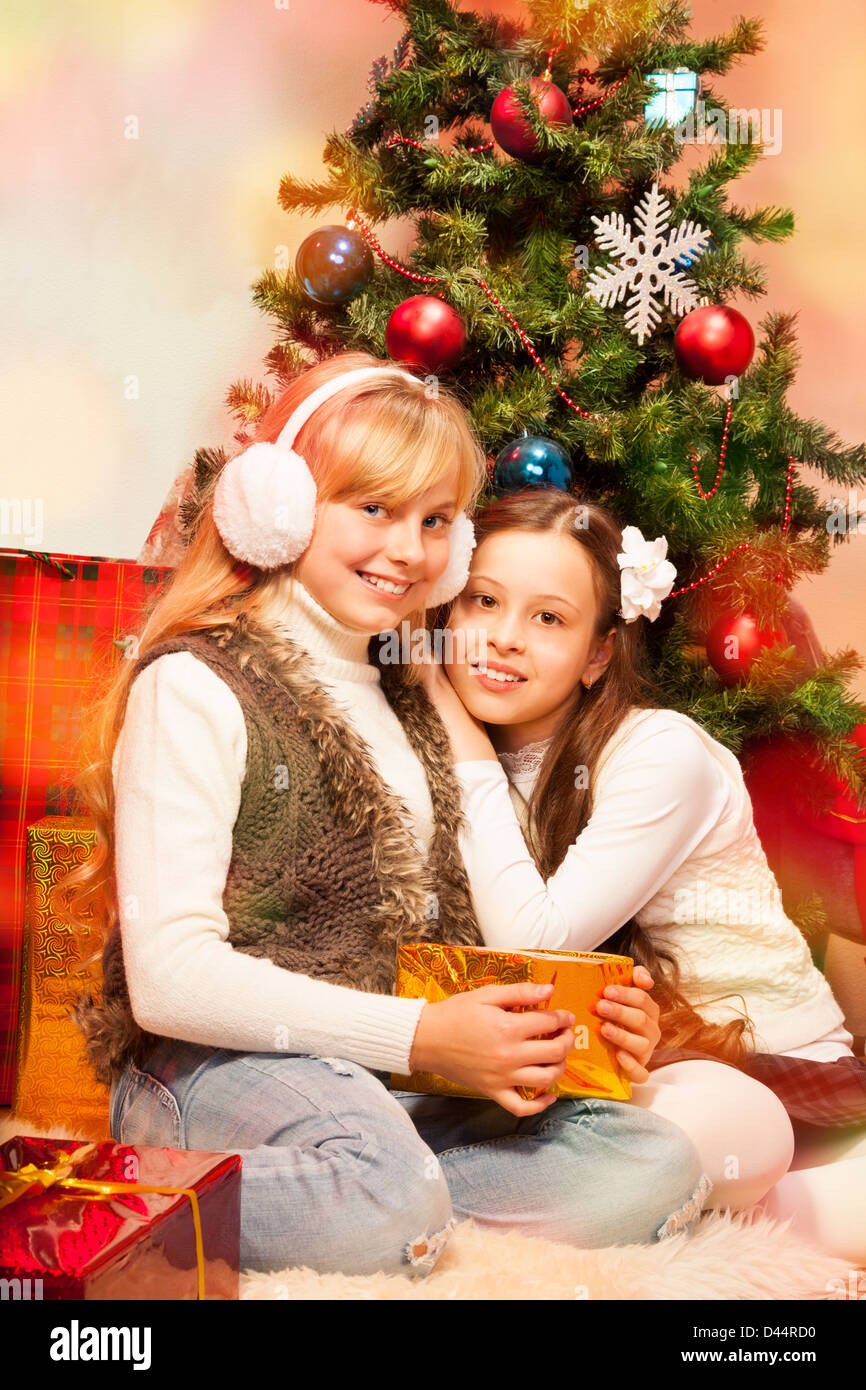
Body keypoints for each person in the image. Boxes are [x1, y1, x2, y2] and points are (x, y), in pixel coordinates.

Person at [64, 352, 717, 1280]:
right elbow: (169, 981)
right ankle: (262, 1186)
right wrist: (419, 1036)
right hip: (216, 1068)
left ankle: (387, 1186)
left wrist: (566, 1031)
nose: (409, 550)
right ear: (279, 505)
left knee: (651, 1163)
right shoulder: (198, 682)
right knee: (385, 1194)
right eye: (374, 509)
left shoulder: (413, 696)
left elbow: (463, 929)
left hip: (380, 1080)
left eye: (437, 521)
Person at [418, 485, 866, 1263]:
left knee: (712, 1140)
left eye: (548, 617)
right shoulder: (417, 748)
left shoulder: (662, 752)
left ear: (598, 653)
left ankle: (771, 1207)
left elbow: (533, 935)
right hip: (590, 1070)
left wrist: (460, 738)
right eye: (482, 601)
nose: (504, 639)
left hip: (764, 1070)